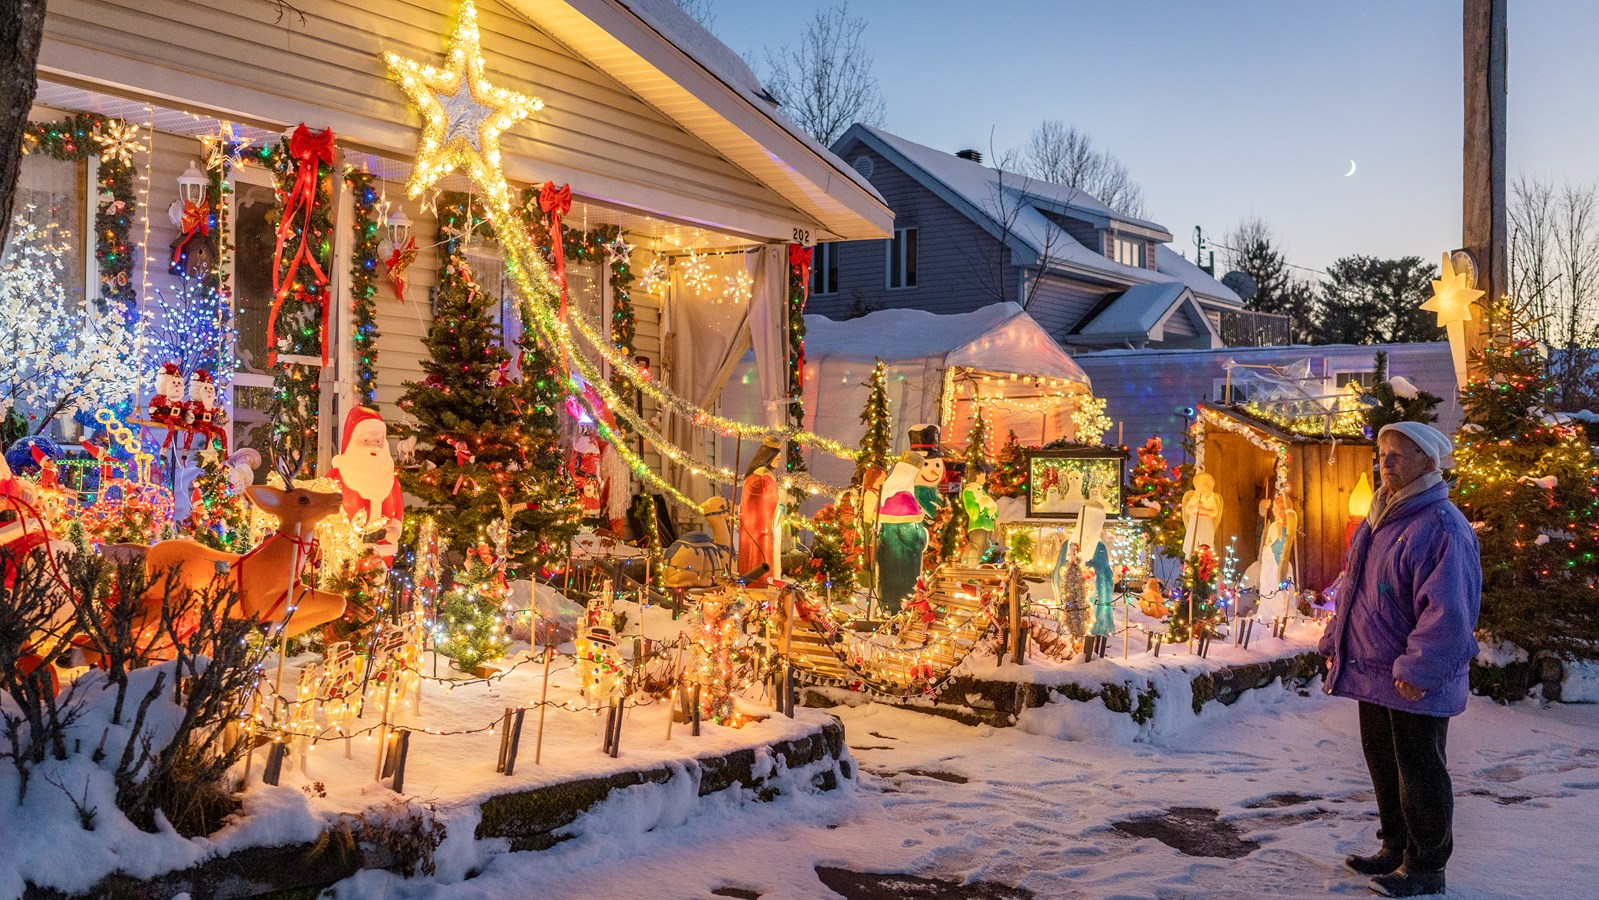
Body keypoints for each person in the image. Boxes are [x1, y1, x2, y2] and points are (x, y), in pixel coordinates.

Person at [1318, 421, 1481, 898]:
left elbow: (1451, 608)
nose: (1385, 462)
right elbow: (1354, 588)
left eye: (1397, 455)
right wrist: (1335, 638)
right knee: (1384, 762)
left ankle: (1427, 867)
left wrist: (1421, 668)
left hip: (1412, 677)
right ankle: (1396, 847)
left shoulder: (1442, 525)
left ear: (1428, 464)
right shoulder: (1381, 516)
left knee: (1420, 771)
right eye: (1383, 453)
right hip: (1373, 669)